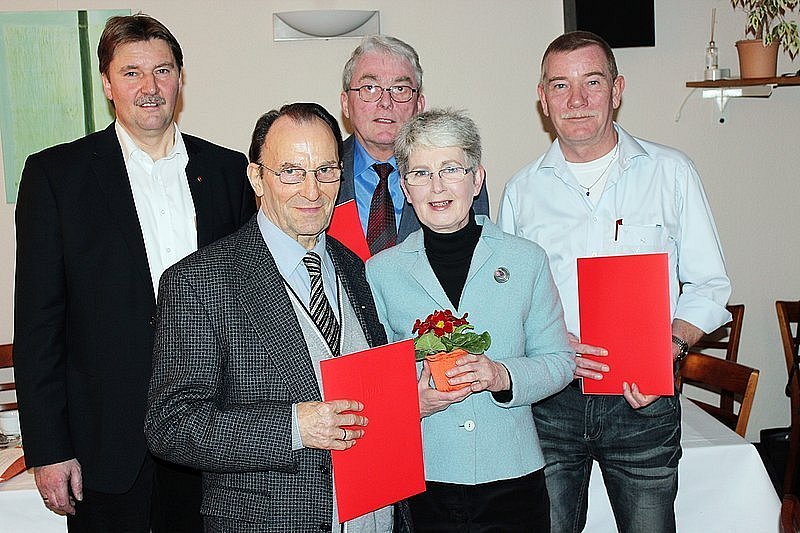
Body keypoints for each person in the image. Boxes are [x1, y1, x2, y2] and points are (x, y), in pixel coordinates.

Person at [13, 13, 255, 532]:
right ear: (106, 83)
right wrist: (48, 449)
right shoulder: (57, 177)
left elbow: (251, 308)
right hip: (104, 447)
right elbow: (38, 325)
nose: (150, 88)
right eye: (132, 73)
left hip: (210, 442)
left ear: (180, 79)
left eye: (163, 71)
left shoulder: (230, 171)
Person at [498, 31, 732, 532]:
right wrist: (545, 342)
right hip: (551, 402)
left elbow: (711, 287)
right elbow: (509, 301)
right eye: (560, 85)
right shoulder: (521, 192)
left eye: (592, 82)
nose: (576, 100)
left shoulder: (671, 173)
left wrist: (663, 348)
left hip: (642, 400)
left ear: (618, 89)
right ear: (542, 98)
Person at [145, 102, 412, 532]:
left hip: (376, 515)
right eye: (291, 171)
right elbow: (171, 424)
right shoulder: (200, 282)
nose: (312, 190)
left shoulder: (356, 267)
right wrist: (293, 427)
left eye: (326, 170)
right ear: (257, 179)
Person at [366, 108, 575, 532]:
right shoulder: (380, 271)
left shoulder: (525, 260)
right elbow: (372, 380)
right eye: (421, 173)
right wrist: (413, 402)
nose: (437, 186)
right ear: (405, 187)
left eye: (451, 169)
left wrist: (501, 375)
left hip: (512, 479)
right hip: (422, 479)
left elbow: (560, 361)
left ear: (477, 179)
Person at [338, 35, 490, 254]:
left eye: (400, 89)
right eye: (370, 88)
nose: (385, 102)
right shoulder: (322, 174)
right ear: (345, 103)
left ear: (419, 105)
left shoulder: (458, 175)